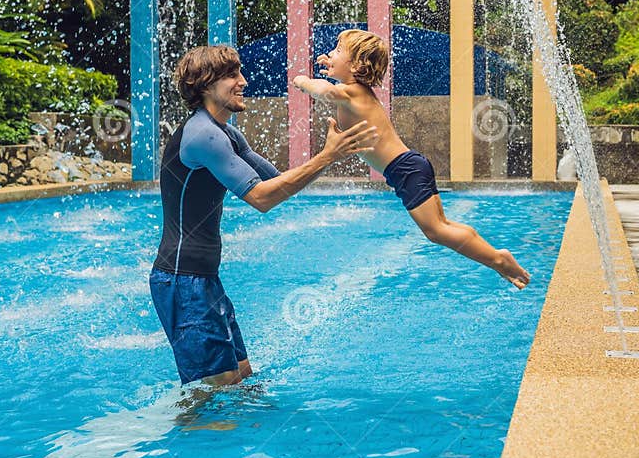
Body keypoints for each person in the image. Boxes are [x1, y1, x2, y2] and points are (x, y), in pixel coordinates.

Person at [150, 44, 379, 388]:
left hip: (203, 279)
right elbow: (260, 198)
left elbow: (275, 181)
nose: (243, 81)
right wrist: (327, 157)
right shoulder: (203, 135)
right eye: (231, 75)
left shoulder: (226, 132)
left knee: (241, 379)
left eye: (240, 72)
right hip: (183, 282)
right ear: (205, 85)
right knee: (212, 395)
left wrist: (330, 149)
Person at [292, 29, 531, 289]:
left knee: (435, 232)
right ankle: (496, 258)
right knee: (443, 225)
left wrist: (302, 80)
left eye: (338, 51)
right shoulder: (353, 90)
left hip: (405, 169)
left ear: (357, 65)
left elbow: (324, 90)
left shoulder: (353, 92)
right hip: (407, 167)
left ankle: (497, 259)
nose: (331, 55)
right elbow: (333, 88)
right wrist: (335, 66)